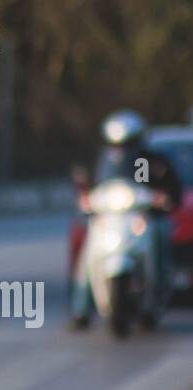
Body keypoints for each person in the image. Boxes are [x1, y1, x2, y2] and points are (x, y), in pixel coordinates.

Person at [70, 109, 183, 325]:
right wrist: (85, 198)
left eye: (127, 143)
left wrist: (163, 199)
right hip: (112, 218)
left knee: (161, 235)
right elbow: (92, 188)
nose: (121, 149)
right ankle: (80, 309)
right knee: (88, 253)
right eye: (116, 144)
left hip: (146, 217)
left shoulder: (152, 162)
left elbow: (170, 190)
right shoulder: (102, 163)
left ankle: (158, 292)